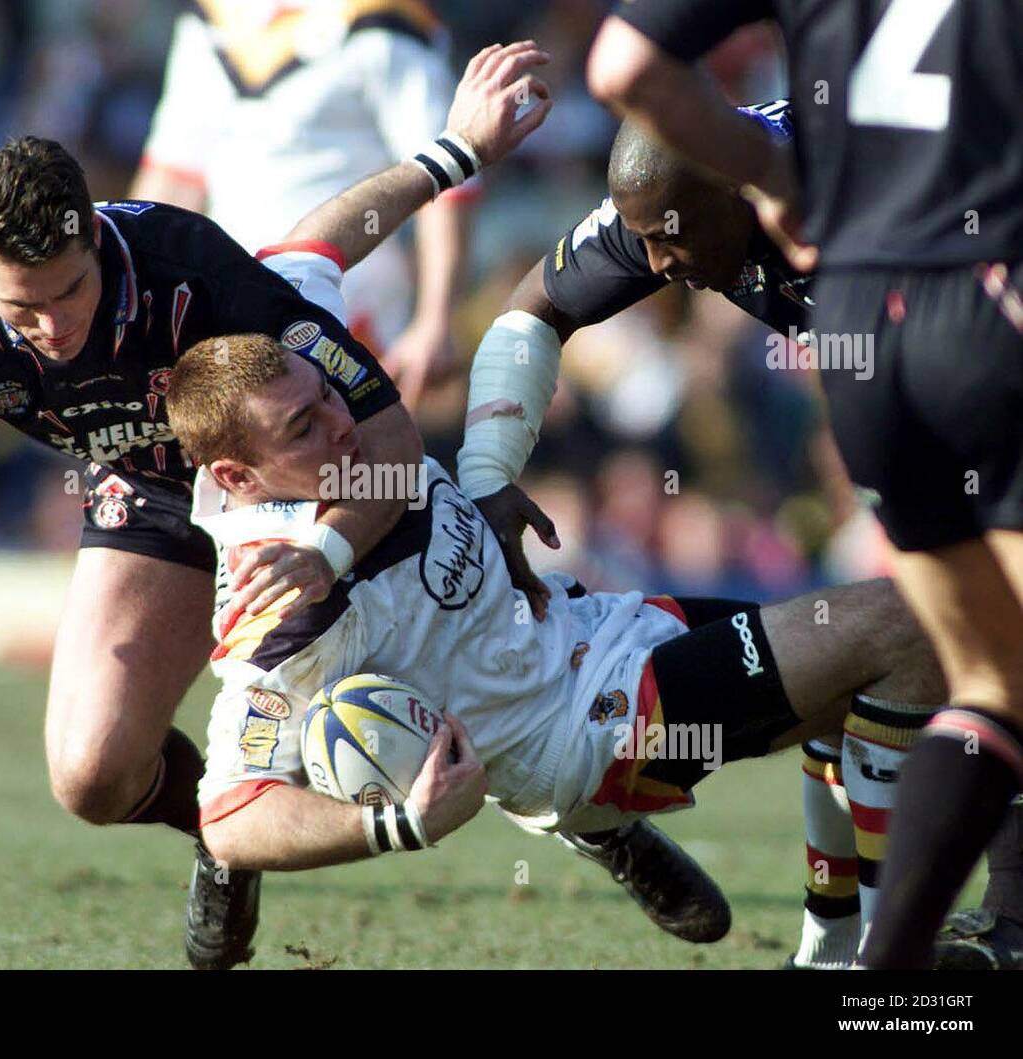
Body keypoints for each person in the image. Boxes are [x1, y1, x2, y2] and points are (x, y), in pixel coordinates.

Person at [0, 36, 549, 971]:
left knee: (493, 668)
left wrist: (329, 550)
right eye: (25, 312)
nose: (54, 328)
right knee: (91, 777)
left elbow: (382, 436)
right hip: (152, 495)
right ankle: (227, 835)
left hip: (292, 482)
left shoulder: (196, 269)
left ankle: (575, 797)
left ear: (97, 235)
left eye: (70, 292)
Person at [161, 166, 946, 954]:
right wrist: (399, 822)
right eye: (303, 428)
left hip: (600, 631)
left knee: (871, 685)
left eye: (328, 394)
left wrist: (454, 151)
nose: (341, 422)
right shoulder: (280, 598)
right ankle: (887, 959)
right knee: (905, 629)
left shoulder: (293, 361)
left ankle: (832, 943)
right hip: (579, 732)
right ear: (237, 479)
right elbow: (230, 818)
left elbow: (317, 245)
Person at [586, 0, 1023, 971]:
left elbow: (622, 64)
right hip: (993, 285)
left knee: (988, 678)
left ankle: (883, 975)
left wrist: (770, 177)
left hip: (865, 319)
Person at [130, 0, 479, 410]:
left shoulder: (386, 20)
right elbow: (173, 177)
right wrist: (134, 312)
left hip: (349, 306)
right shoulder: (211, 22)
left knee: (356, 459)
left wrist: (434, 321)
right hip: (228, 312)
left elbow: (447, 174)